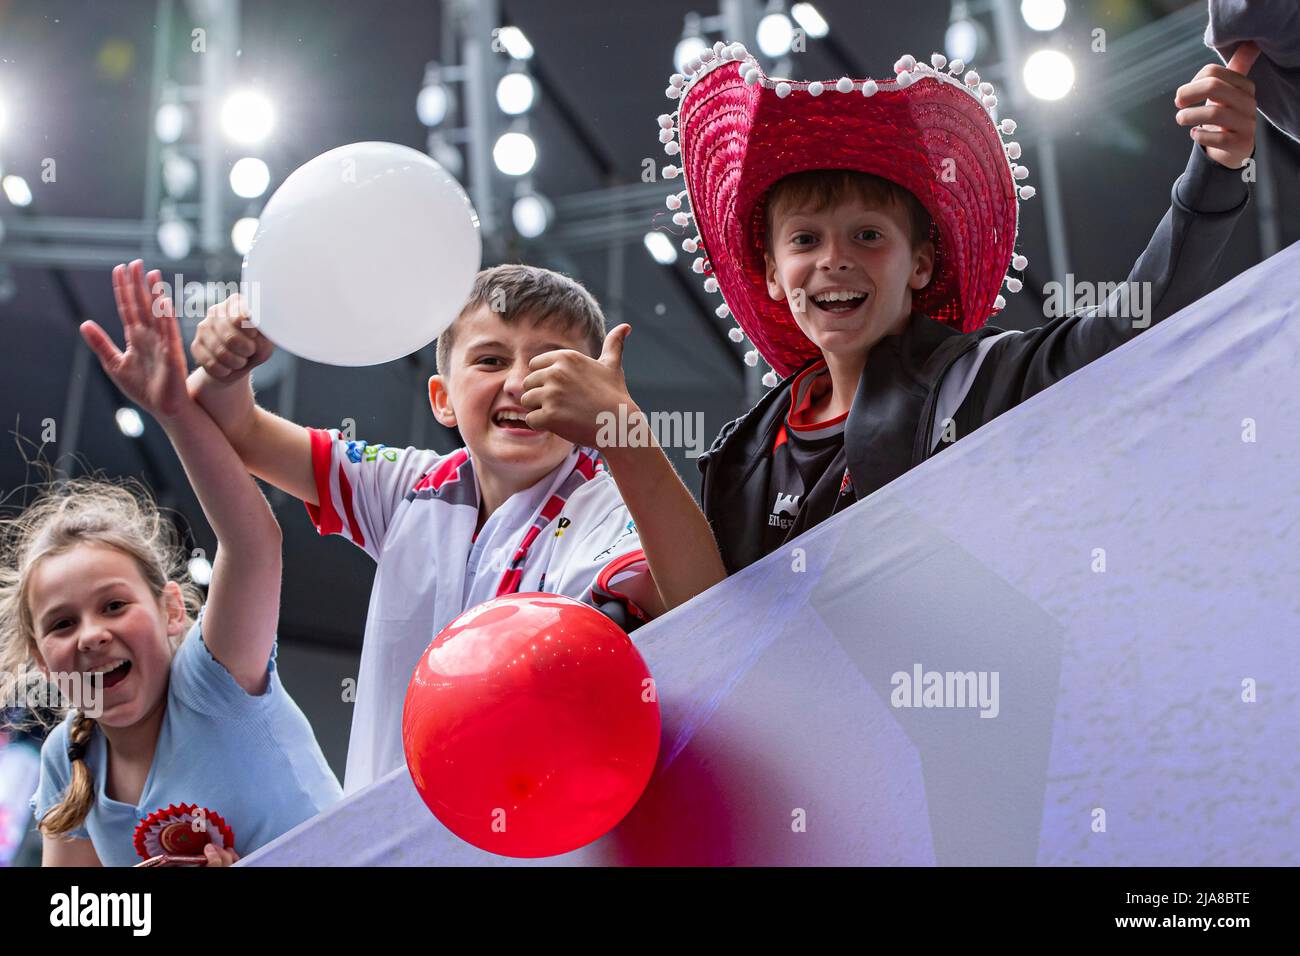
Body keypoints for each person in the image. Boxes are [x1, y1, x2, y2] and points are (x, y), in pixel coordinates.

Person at [654, 42, 1259, 572]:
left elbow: (1134, 327)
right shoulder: (742, 450)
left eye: (868, 235)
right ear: (771, 275)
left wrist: (1214, 169)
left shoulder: (980, 381)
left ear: (920, 264)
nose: (833, 259)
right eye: (805, 239)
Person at [189, 263, 726, 793]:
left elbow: (707, 608)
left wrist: (623, 431)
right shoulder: (407, 486)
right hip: (381, 848)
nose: (519, 382)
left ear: (592, 388)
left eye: (548, 365)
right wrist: (225, 366)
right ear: (442, 399)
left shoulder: (611, 509)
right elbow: (236, 427)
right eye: (491, 360)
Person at [1, 262, 340, 866]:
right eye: (60, 624)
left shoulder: (213, 681)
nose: (92, 634)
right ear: (38, 658)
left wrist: (175, 411)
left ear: (172, 611)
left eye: (113, 605)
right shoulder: (63, 760)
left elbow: (253, 542)